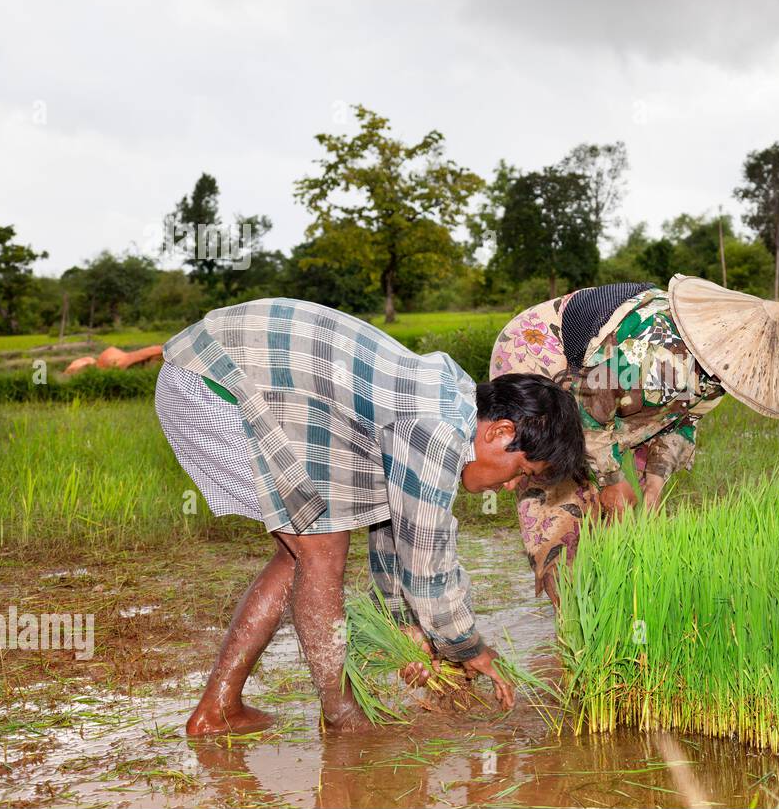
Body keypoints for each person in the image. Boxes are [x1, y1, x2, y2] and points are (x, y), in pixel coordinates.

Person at [155, 298, 586, 736]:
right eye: (522, 473)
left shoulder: (452, 403)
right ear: (501, 433)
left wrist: (406, 629)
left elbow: (391, 527)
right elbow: (425, 563)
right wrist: (468, 647)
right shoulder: (435, 429)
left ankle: (219, 709)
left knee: (302, 552)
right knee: (321, 549)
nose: (511, 487)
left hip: (243, 376)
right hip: (213, 379)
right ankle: (341, 716)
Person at [489, 275, 779, 604]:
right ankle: (570, 615)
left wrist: (654, 486)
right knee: (557, 480)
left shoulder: (717, 371)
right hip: (544, 352)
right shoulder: (649, 352)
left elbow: (681, 420)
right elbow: (585, 406)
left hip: (612, 381)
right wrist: (610, 477)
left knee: (630, 504)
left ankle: (607, 600)